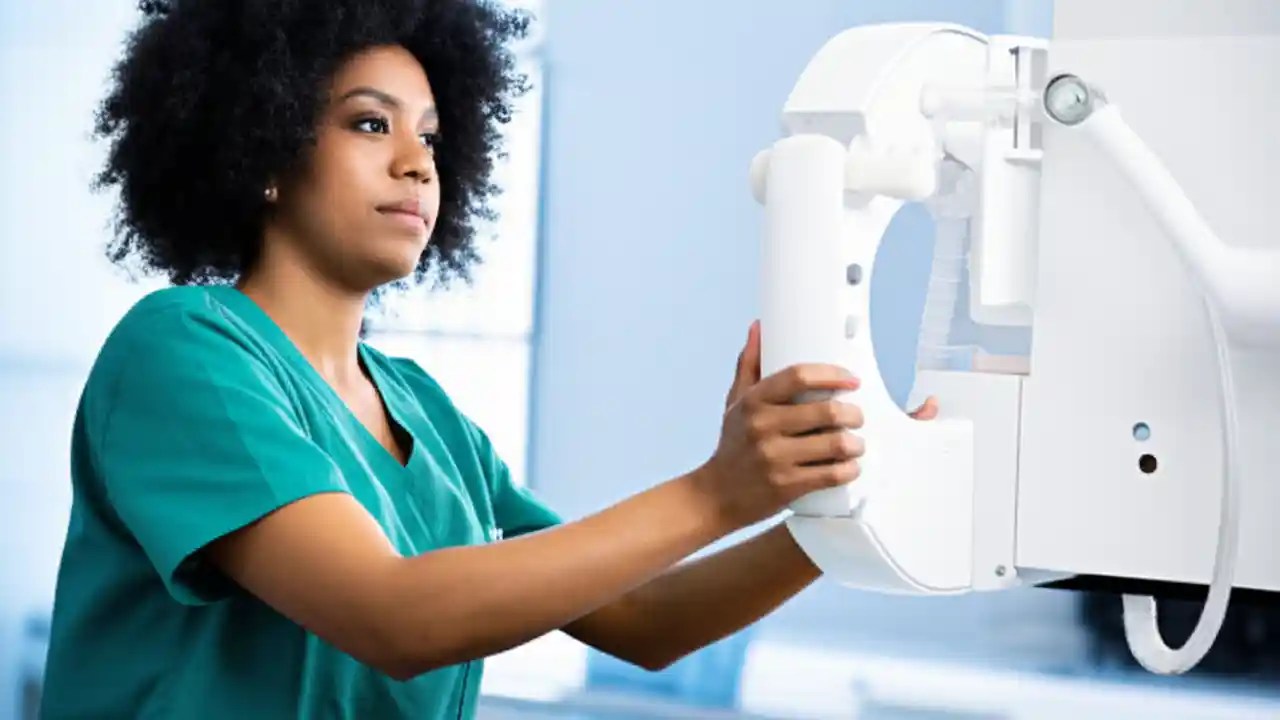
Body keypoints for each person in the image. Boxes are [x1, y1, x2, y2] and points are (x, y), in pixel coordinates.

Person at [40, 1, 938, 718]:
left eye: (430, 137)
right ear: (263, 147)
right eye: (368, 124)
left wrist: (849, 505)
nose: (416, 166)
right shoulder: (184, 350)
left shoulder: (424, 413)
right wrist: (717, 491)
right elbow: (392, 616)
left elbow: (645, 620)